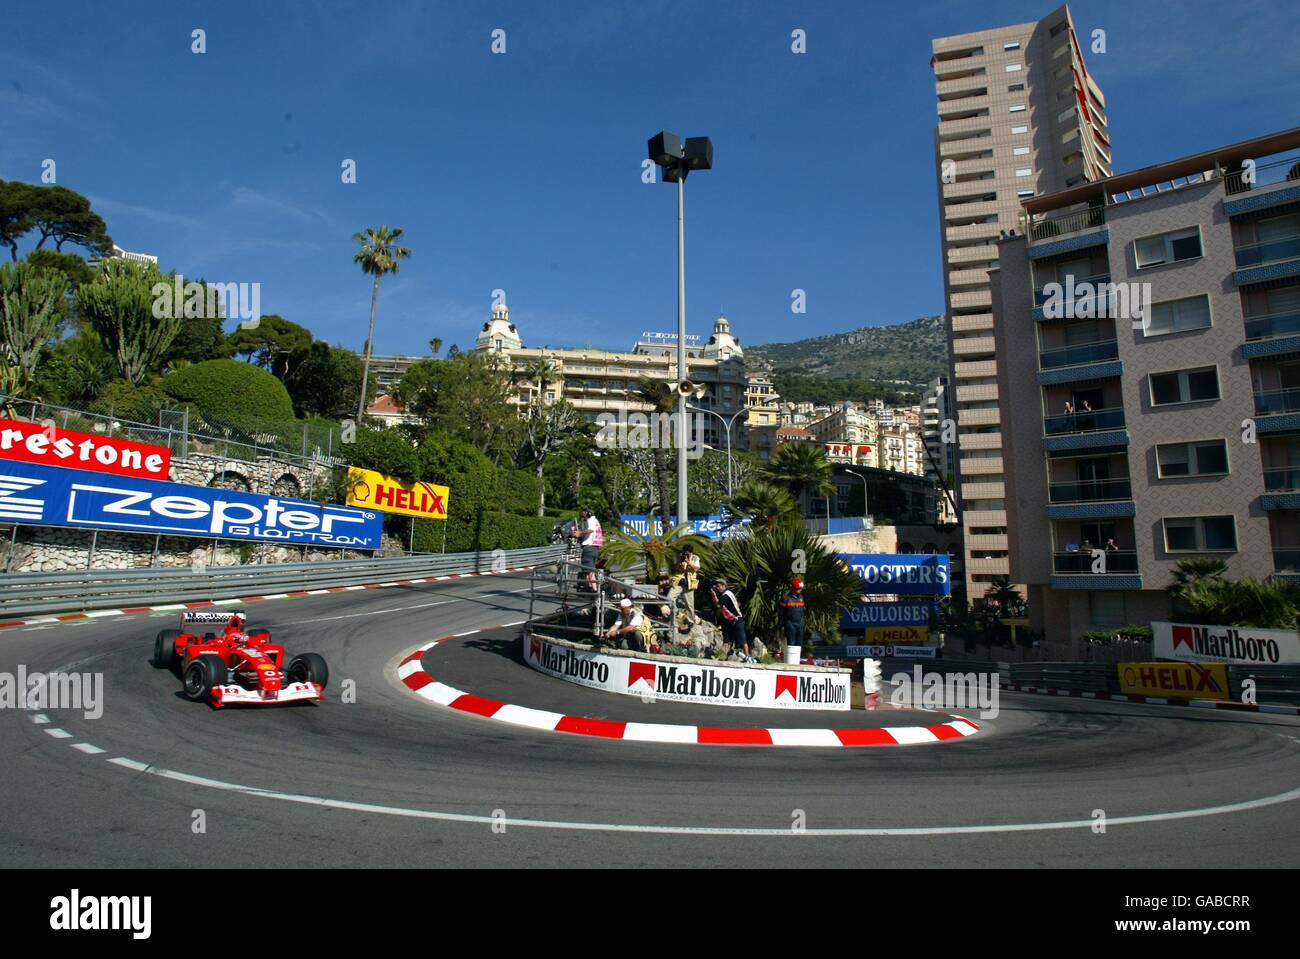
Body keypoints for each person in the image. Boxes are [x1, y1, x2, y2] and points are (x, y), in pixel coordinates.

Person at [711, 578, 751, 661]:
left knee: (742, 639)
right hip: (730, 620)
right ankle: (725, 656)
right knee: (727, 639)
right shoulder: (726, 594)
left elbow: (718, 606)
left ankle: (748, 657)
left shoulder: (726, 594)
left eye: (718, 586)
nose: (717, 588)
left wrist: (713, 595)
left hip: (736, 619)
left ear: (724, 586)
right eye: (716, 586)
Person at [780, 577, 807, 662]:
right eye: (799, 589)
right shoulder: (786, 598)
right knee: (791, 643)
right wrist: (784, 622)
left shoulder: (801, 597)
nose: (800, 590)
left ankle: (797, 660)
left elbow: (803, 610)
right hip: (790, 623)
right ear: (794, 589)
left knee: (799, 643)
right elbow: (780, 611)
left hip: (800, 623)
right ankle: (791, 661)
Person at [578, 509, 603, 591]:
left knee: (589, 571)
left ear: (587, 513)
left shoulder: (591, 520)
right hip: (595, 548)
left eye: (583, 513)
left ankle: (595, 589)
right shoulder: (596, 521)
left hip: (589, 548)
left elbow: (591, 530)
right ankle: (591, 588)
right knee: (588, 570)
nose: (582, 515)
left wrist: (579, 533)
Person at [676, 545, 701, 620]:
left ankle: (691, 620)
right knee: (670, 597)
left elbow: (696, 569)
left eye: (687, 553)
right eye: (684, 552)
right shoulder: (680, 557)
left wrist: (688, 562)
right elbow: (675, 568)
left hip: (689, 583)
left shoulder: (695, 558)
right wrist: (679, 561)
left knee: (689, 604)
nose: (685, 554)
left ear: (691, 552)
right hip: (679, 581)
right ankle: (675, 615)